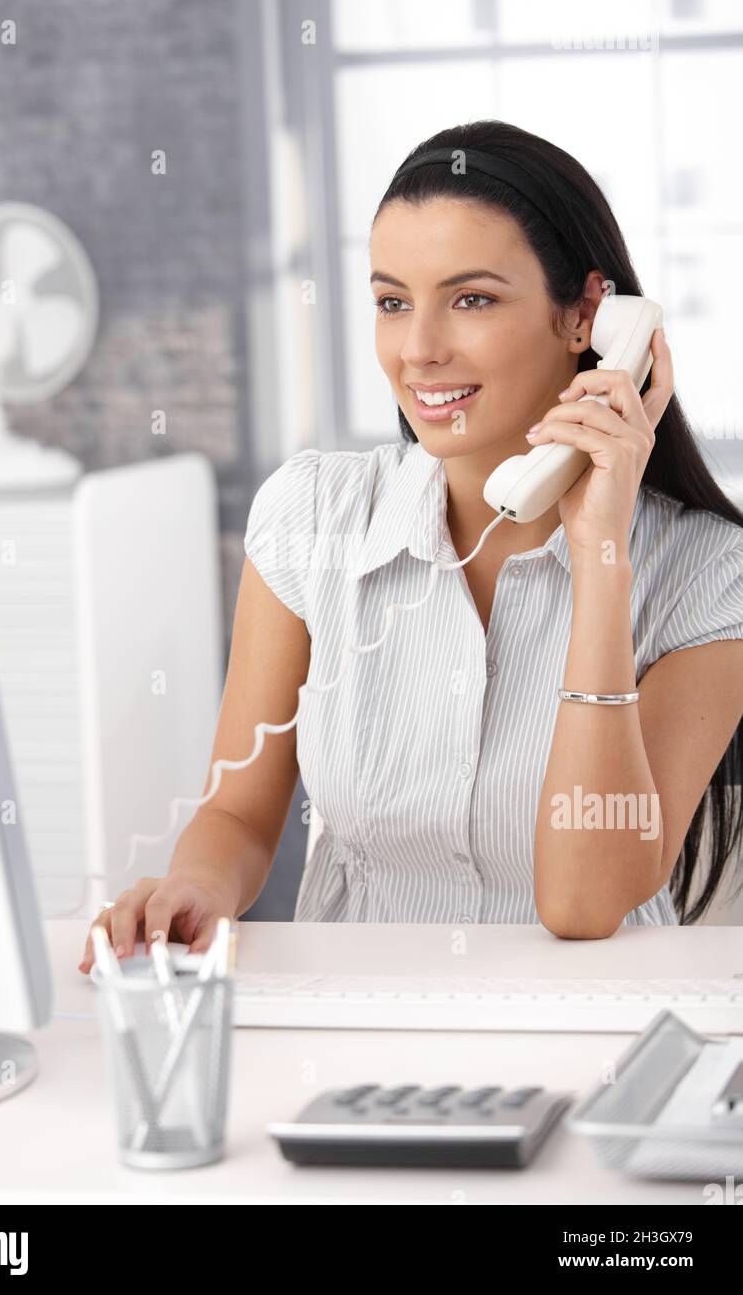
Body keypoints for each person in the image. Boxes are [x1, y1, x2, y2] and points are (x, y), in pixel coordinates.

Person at [79, 118, 743, 971]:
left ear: (588, 317)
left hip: (588, 1041)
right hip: (355, 1031)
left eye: (472, 299)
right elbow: (239, 816)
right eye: (393, 302)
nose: (419, 351)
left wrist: (600, 554)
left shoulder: (709, 574)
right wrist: (196, 890)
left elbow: (583, 902)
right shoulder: (313, 517)